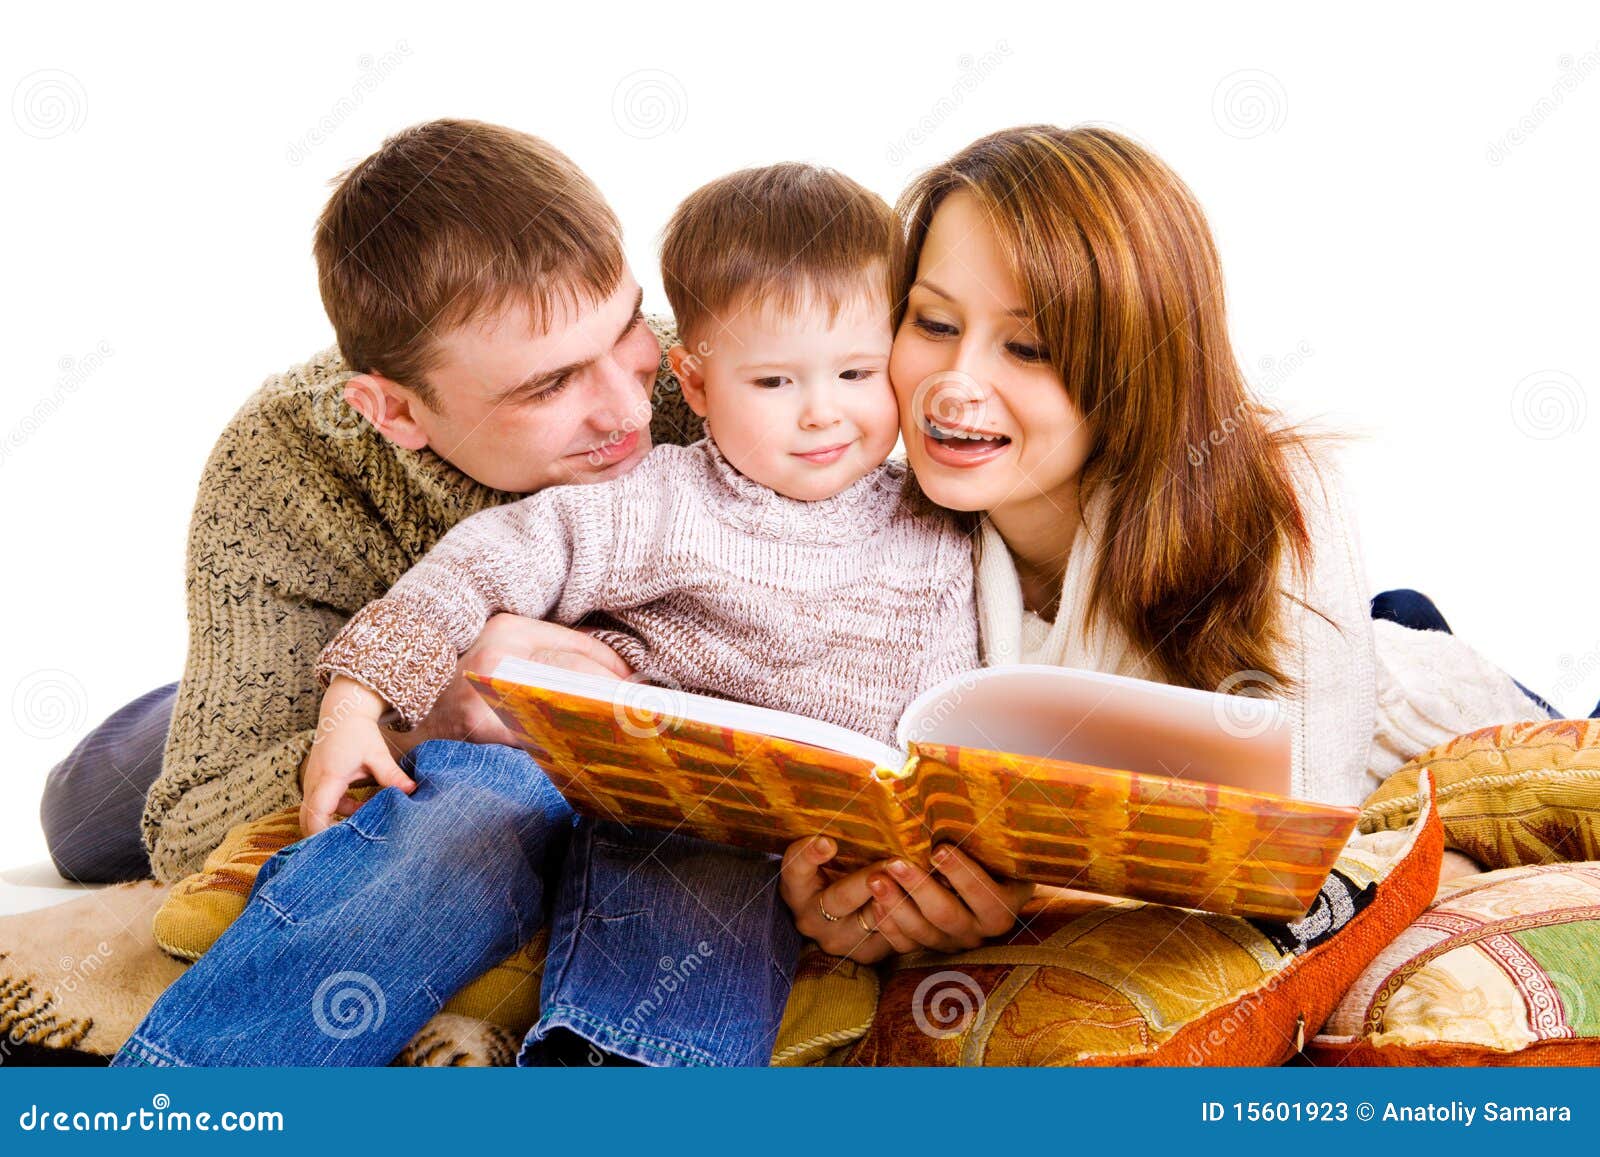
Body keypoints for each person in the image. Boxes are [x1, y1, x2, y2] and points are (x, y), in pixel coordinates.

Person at [114, 162, 978, 1067]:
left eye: (629, 334)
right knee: (105, 807)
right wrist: (377, 703)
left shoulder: (777, 375)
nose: (628, 406)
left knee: (702, 883)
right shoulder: (290, 465)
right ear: (396, 410)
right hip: (393, 697)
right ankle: (182, 1087)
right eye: (549, 385)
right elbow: (479, 565)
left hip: (705, 804)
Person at [777, 124, 1552, 959]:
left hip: (1408, 695)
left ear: (1135, 365)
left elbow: (1297, 852)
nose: (956, 381)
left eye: (1028, 346)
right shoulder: (878, 525)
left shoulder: (1278, 501)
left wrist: (1037, 897)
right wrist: (854, 903)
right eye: (932, 323)